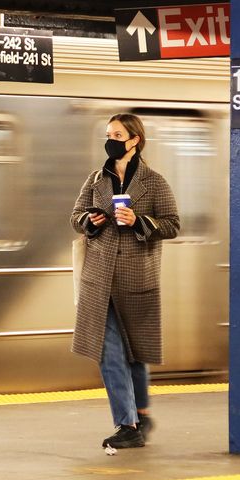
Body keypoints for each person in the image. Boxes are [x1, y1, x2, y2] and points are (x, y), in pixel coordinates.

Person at [70, 113, 180, 454]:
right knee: (109, 351)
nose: (111, 140)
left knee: (135, 352)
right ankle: (128, 424)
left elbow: (173, 224)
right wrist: (90, 220)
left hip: (137, 278)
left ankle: (138, 414)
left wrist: (139, 221)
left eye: (117, 134)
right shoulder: (95, 180)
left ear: (134, 140)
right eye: (108, 134)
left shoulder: (155, 182)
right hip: (98, 279)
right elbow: (75, 218)